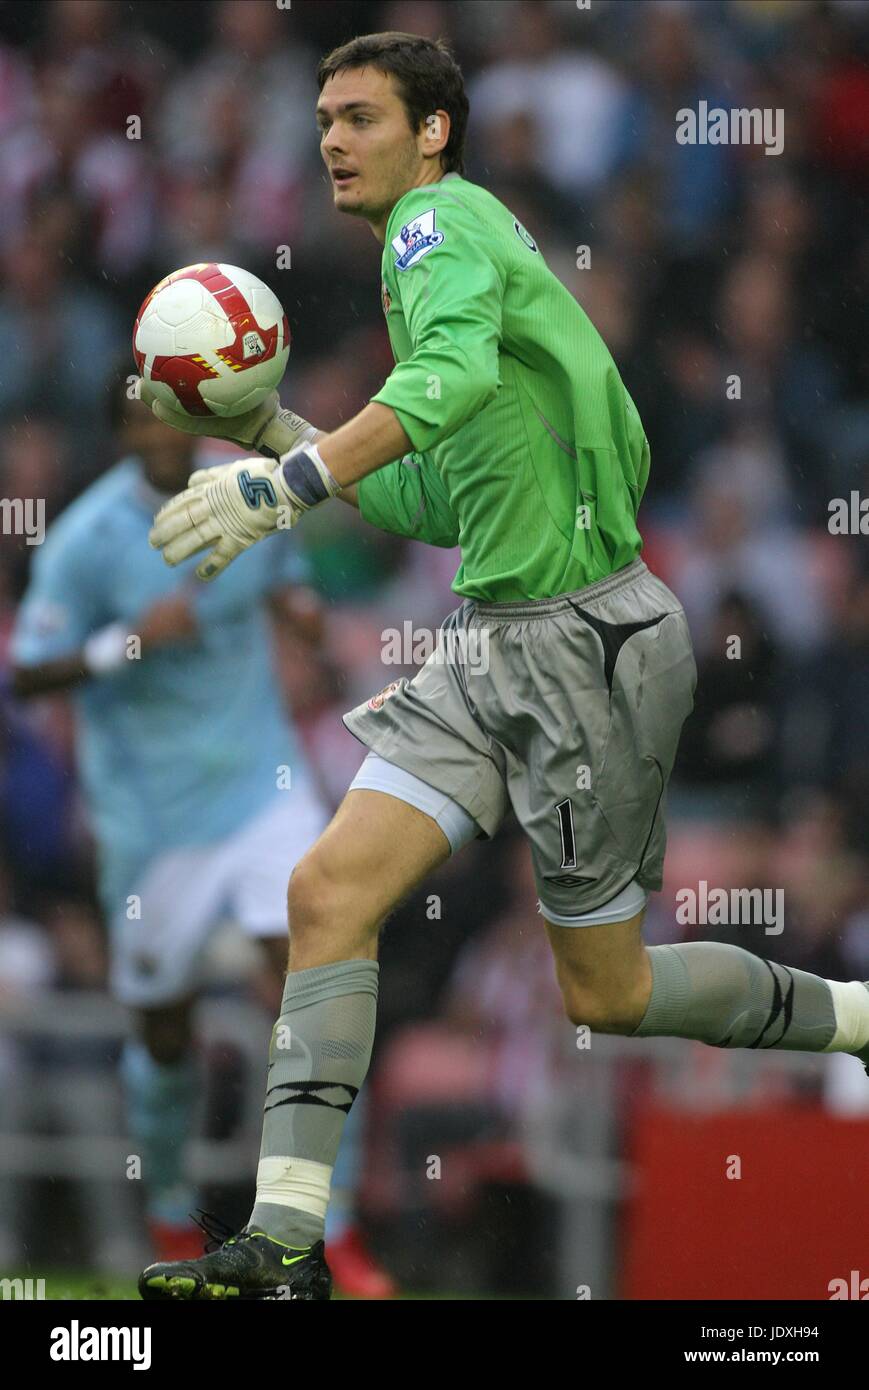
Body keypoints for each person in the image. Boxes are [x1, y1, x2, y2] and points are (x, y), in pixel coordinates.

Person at [138, 32, 869, 1301]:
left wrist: (285, 479)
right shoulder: (436, 259)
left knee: (613, 989)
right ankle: (288, 1241)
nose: (330, 138)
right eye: (323, 117)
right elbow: (430, 496)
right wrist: (271, 430)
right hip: (495, 639)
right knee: (327, 893)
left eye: (360, 115)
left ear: (432, 133)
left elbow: (443, 378)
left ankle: (857, 1014)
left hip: (587, 639)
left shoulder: (436, 229)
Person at [10, 371, 394, 1296]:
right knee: (166, 1039)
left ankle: (325, 1231)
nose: (159, 431)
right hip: (152, 827)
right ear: (116, 432)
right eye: (138, 417)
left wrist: (301, 616)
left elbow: (287, 578)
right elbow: (26, 677)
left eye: (169, 413)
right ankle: (173, 1209)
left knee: (317, 984)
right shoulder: (86, 540)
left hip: (265, 796)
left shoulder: (246, 486)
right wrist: (128, 642)